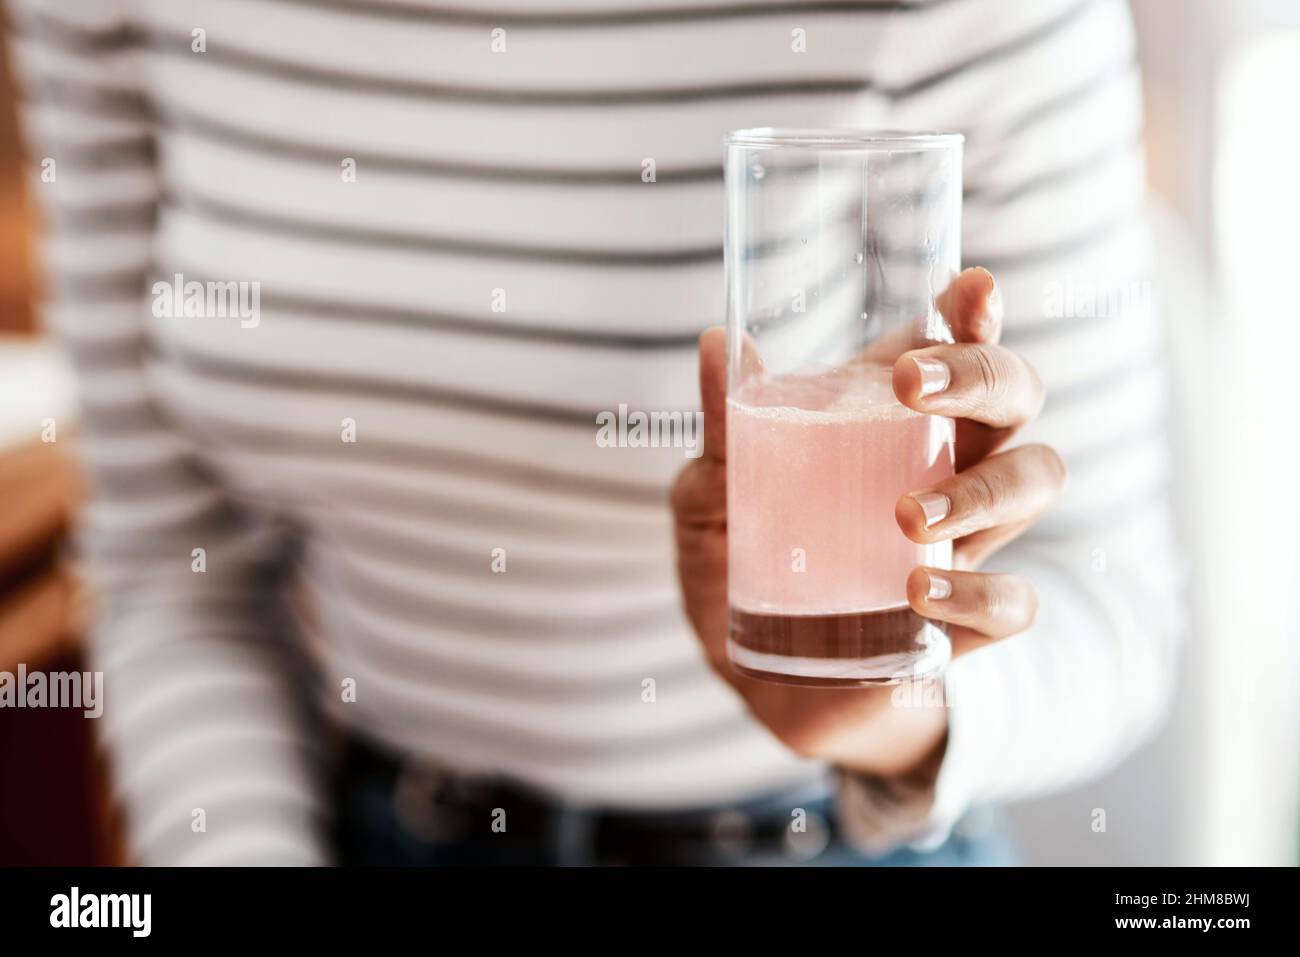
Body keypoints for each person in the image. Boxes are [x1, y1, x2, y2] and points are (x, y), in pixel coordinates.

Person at [6, 0, 1181, 865]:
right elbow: (171, 563)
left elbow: (1110, 605)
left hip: (823, 844)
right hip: (364, 832)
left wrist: (882, 710)